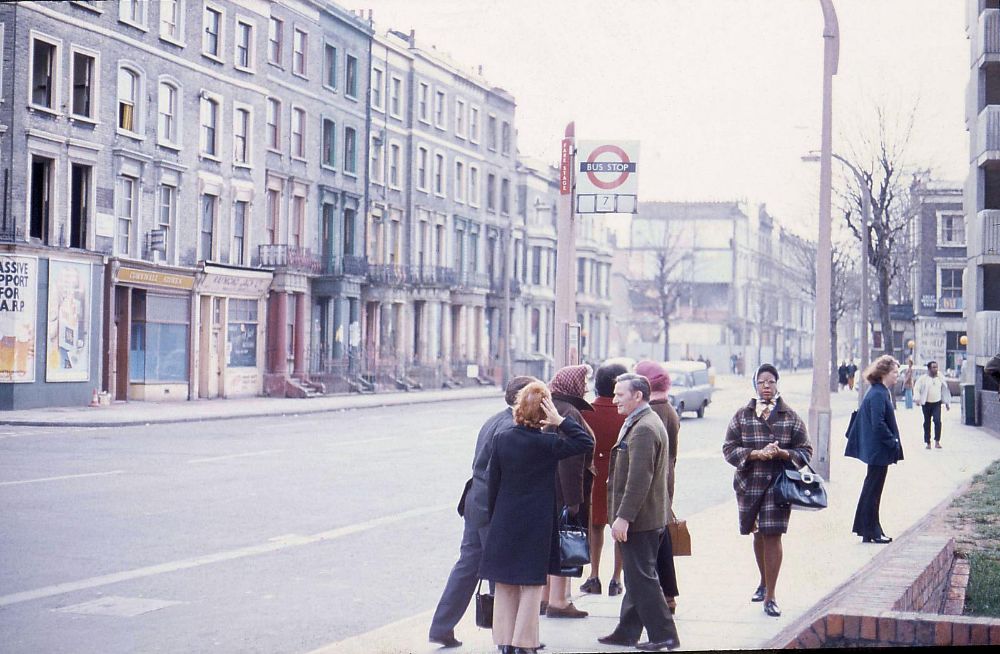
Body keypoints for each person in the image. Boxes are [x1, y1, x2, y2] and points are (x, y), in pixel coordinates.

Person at [479, 382, 595, 654]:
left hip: (505, 519)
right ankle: (524, 642)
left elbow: (493, 484)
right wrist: (560, 420)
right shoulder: (549, 443)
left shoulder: (502, 439)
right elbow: (585, 442)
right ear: (545, 413)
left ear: (519, 408)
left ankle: (505, 642)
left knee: (505, 582)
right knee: (531, 583)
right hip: (537, 522)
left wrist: (495, 518)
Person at [428, 376, 537, 648]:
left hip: (476, 502)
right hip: (493, 504)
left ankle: (442, 627)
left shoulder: (495, 420)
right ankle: (506, 636)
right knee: (502, 573)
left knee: (468, 566)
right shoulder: (512, 427)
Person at [597, 373, 680, 652]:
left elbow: (639, 479)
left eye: (620, 395)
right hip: (647, 517)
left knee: (642, 579)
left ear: (638, 396)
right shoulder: (641, 421)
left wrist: (623, 517)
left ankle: (665, 634)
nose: (614, 400)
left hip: (641, 519)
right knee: (636, 577)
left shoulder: (644, 428)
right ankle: (627, 632)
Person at [722, 364, 813, 618]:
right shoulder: (742, 415)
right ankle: (763, 582)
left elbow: (806, 451)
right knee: (758, 534)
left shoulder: (789, 416)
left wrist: (783, 453)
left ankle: (771, 596)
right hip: (749, 485)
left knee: (773, 535)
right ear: (755, 385)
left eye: (771, 381)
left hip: (777, 486)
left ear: (777, 384)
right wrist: (755, 454)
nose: (766, 386)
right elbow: (728, 448)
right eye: (761, 382)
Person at [544, 363, 596, 618]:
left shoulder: (551, 406)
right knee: (565, 542)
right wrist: (574, 501)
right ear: (572, 384)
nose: (585, 387)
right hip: (563, 491)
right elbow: (571, 461)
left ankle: (544, 597)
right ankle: (559, 601)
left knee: (550, 543)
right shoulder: (569, 412)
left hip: (547, 487)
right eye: (583, 382)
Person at [635, 360, 681, 614]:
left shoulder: (653, 412)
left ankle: (664, 595)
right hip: (665, 479)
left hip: (655, 484)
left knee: (655, 542)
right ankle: (667, 594)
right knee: (661, 539)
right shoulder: (667, 408)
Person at [580, 361, 629, 598]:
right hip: (619, 472)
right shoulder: (625, 413)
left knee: (595, 526)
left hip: (594, 472)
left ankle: (594, 575)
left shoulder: (586, 412)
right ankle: (616, 579)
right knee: (619, 528)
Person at [846, 355, 904, 544]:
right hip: (879, 451)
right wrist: (892, 441)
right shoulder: (879, 393)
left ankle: (867, 530)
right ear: (884, 373)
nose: (897, 375)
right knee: (873, 491)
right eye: (894, 372)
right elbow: (878, 423)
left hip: (876, 451)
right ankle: (872, 531)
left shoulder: (878, 391)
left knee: (871, 490)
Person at [914, 361, 952, 449]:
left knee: (937, 421)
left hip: (937, 403)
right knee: (927, 422)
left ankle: (937, 441)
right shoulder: (923, 379)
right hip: (926, 404)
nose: (936, 369)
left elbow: (944, 390)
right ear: (929, 369)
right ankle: (928, 442)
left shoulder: (940, 378)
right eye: (934, 367)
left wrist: (947, 403)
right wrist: (917, 399)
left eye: (936, 367)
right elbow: (916, 389)